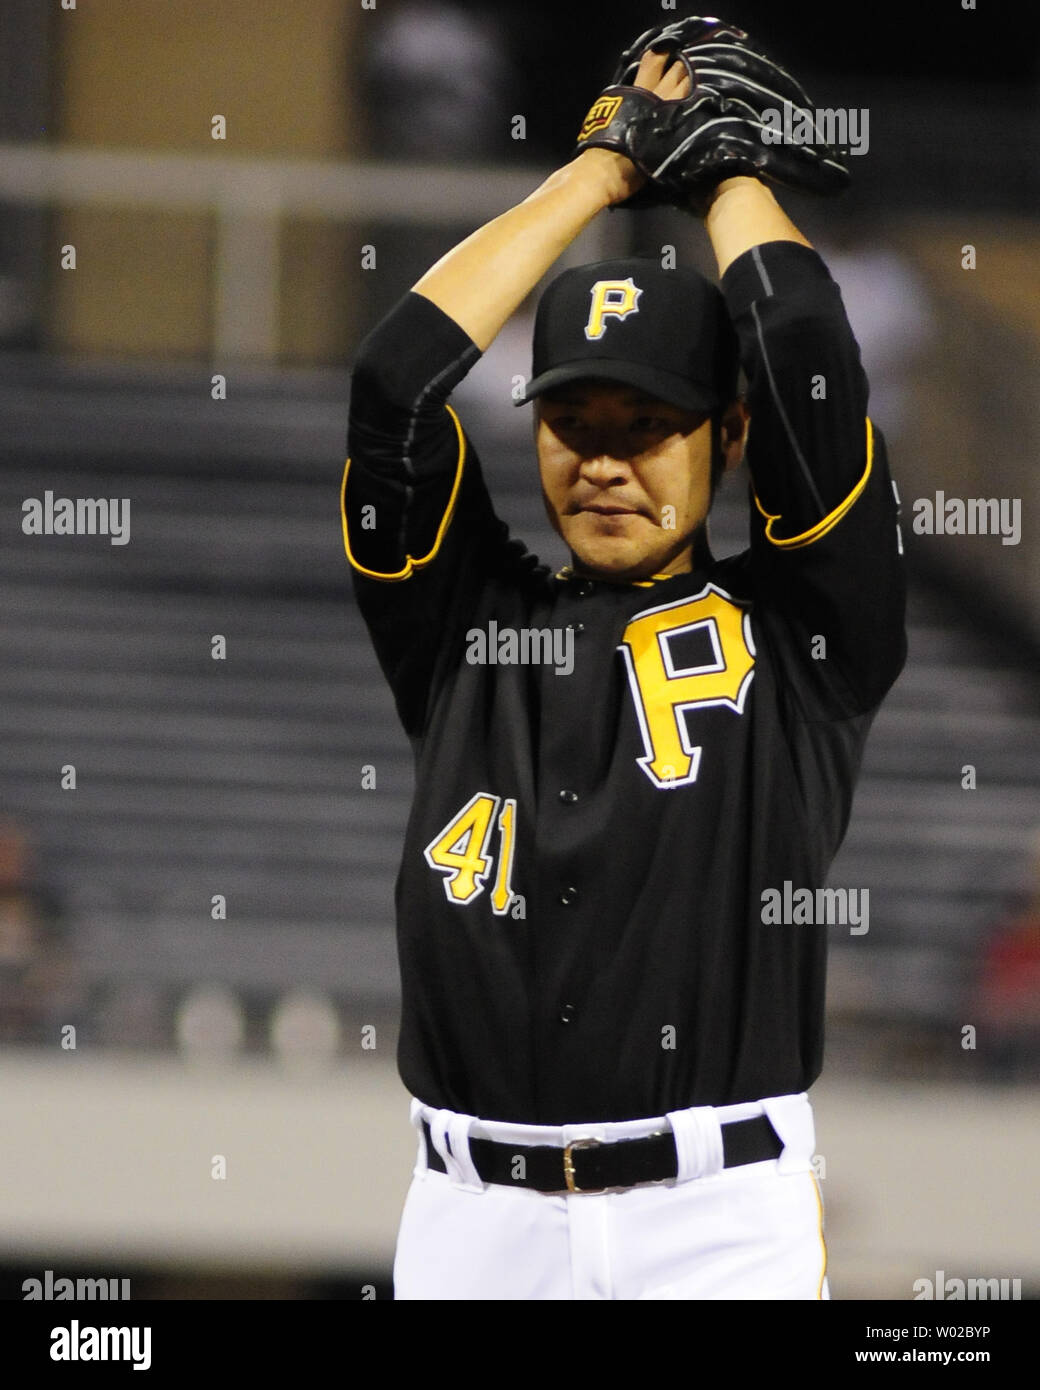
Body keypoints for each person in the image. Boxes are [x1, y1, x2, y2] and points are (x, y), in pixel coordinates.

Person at [341, 46, 906, 1300]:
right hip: (467, 1222)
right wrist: (597, 172)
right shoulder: (461, 626)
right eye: (572, 423)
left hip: (711, 1222)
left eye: (647, 425)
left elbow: (810, 361)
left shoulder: (808, 631)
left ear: (730, 433)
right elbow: (392, 385)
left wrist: (728, 178)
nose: (603, 462)